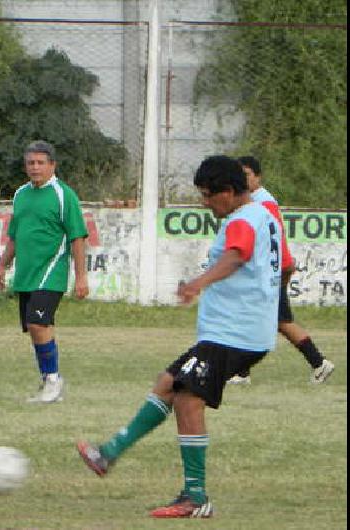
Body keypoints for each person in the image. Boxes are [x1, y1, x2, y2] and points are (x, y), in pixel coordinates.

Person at [77, 156, 284, 518]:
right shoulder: (265, 215)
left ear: (231, 192)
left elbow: (236, 256)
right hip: (239, 331)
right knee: (168, 383)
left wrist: (198, 284)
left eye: (208, 196)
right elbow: (282, 265)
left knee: (188, 399)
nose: (205, 203)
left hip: (235, 333)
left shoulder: (243, 219)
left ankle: (195, 496)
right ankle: (107, 454)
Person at [0, 140, 89, 403]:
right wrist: (3, 265)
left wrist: (81, 276)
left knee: (38, 323)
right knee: (37, 328)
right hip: (27, 273)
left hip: (51, 271)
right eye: (30, 163)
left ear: (52, 165)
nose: (35, 168)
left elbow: (77, 236)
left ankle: (53, 379)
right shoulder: (21, 194)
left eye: (40, 163)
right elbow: (14, 236)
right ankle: (50, 381)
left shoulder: (63, 195)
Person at [227, 156, 334, 385]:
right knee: (267, 320)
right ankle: (241, 372)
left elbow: (276, 236)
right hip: (267, 271)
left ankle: (319, 362)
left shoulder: (264, 203)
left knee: (279, 321)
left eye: (247, 175)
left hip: (270, 272)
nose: (243, 180)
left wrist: (284, 266)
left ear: (258, 177)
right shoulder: (253, 201)